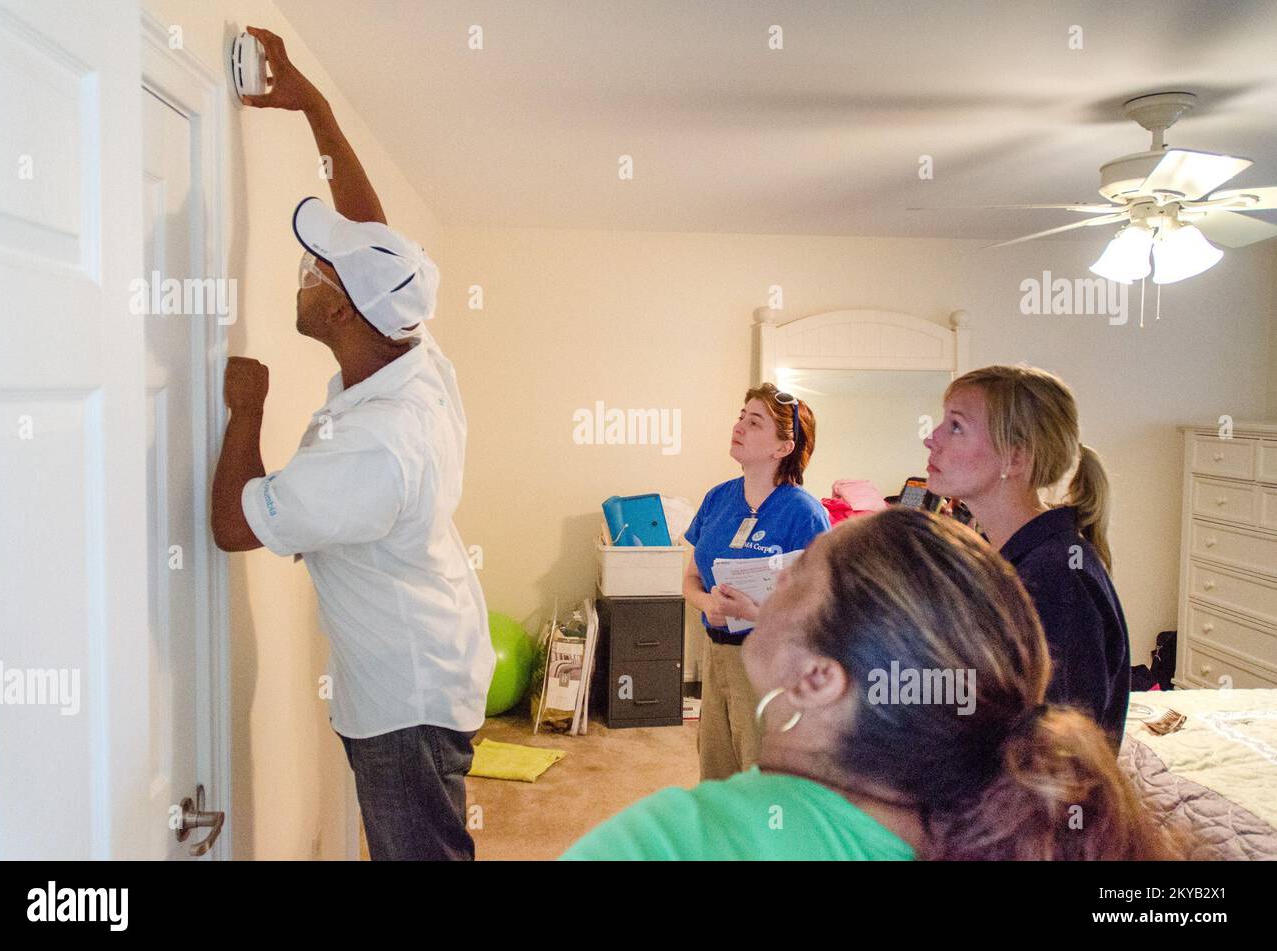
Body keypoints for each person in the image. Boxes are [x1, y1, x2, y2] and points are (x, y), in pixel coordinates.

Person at [210, 27, 494, 860]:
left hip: (405, 699)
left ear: (341, 315)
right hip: (432, 658)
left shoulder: (375, 448)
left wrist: (245, 408)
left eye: (315, 269)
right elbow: (377, 241)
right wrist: (316, 107)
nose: (305, 269)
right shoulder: (411, 351)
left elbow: (234, 522)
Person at [563, 508, 1180, 860]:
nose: (774, 583)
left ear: (818, 679)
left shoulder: (677, 841)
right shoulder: (981, 828)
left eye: (798, 575)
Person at [923, 364, 1130, 742]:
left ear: (1014, 459)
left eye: (956, 426)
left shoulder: (1057, 578)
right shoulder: (999, 554)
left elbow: (1061, 753)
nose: (931, 439)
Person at [682, 384, 830, 781]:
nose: (739, 426)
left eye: (754, 421)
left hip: (768, 664)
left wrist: (754, 612)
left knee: (760, 776)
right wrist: (706, 604)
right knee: (716, 773)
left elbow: (820, 610)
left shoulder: (805, 514)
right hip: (715, 657)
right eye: (741, 416)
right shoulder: (717, 499)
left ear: (783, 447)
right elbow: (691, 580)